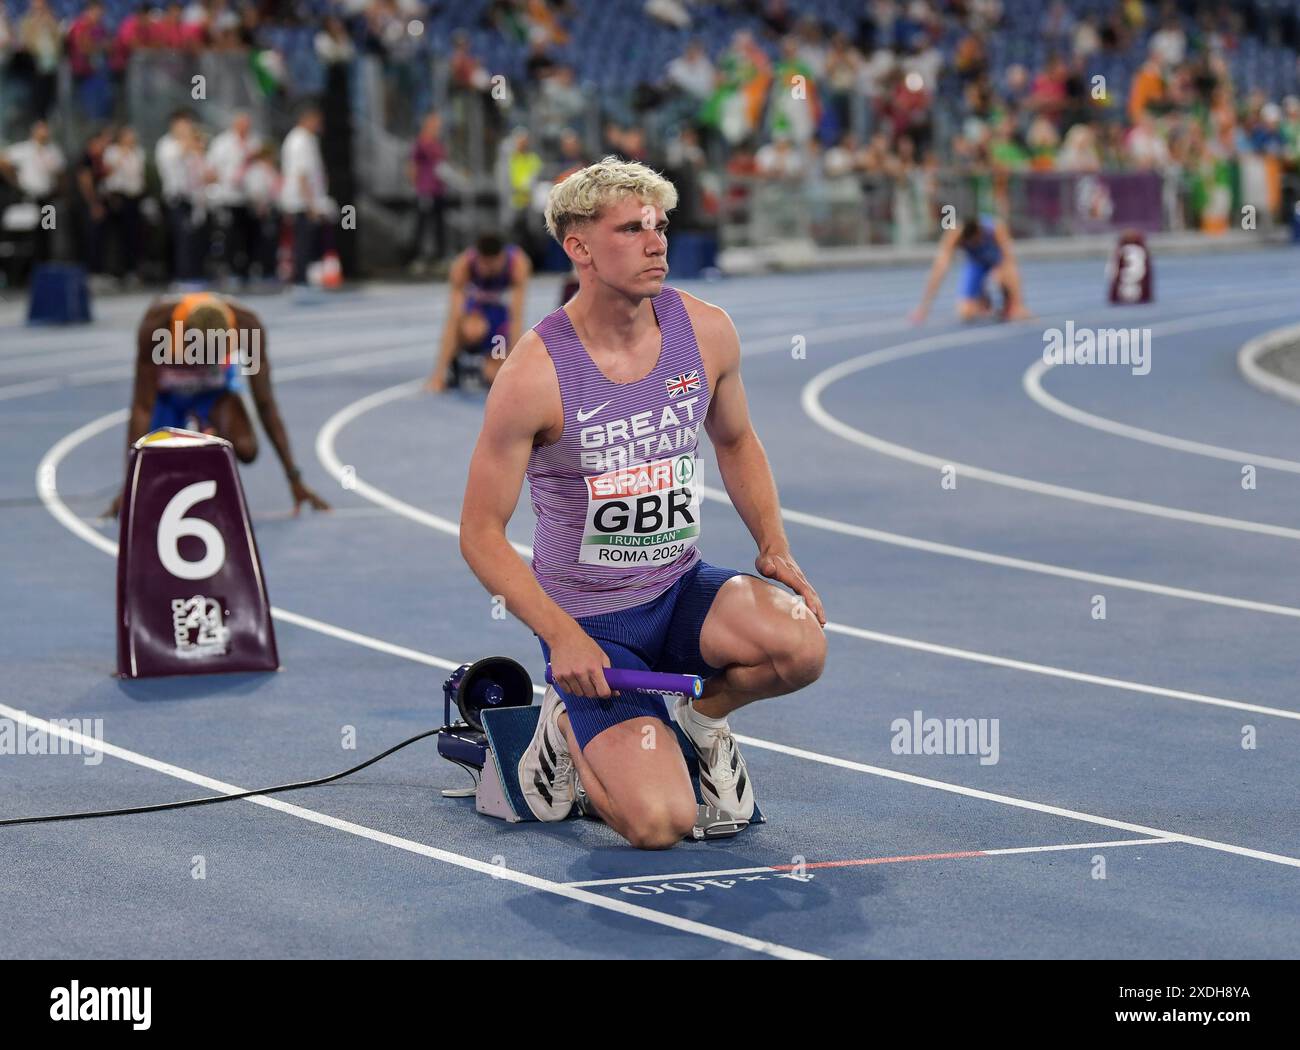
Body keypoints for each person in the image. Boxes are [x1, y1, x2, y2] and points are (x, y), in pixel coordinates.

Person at [457, 158, 827, 850]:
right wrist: (562, 637)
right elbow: (480, 533)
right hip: (592, 626)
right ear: (579, 247)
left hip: (680, 589)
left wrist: (773, 545)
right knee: (660, 825)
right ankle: (564, 726)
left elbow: (738, 440)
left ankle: (701, 723)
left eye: (659, 225)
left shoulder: (707, 330)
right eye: (632, 228)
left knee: (801, 644)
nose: (657, 242)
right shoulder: (534, 374)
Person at [107, 293, 330, 517]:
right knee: (155, 463)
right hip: (170, 397)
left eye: (213, 357)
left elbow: (265, 404)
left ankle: (207, 442)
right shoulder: (156, 325)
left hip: (213, 395)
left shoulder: (247, 327)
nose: (202, 364)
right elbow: (142, 407)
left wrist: (294, 477)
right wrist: (129, 484)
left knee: (246, 448)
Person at [424, 232, 531, 392]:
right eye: (484, 264)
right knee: (471, 329)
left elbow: (516, 317)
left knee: (496, 378)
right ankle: (456, 363)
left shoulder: (518, 264)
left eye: (492, 264)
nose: (488, 269)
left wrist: (514, 366)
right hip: (476, 313)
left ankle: (484, 366)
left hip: (500, 323)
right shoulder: (463, 266)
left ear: (501, 257)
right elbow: (453, 319)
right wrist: (438, 374)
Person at [911, 215, 1031, 323]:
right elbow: (939, 270)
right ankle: (984, 302)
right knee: (965, 312)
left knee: (1002, 276)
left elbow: (1010, 262)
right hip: (977, 265)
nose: (975, 244)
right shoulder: (955, 235)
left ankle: (1009, 303)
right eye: (971, 243)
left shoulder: (996, 229)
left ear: (980, 233)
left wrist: (1018, 303)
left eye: (977, 241)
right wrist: (924, 308)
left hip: (998, 264)